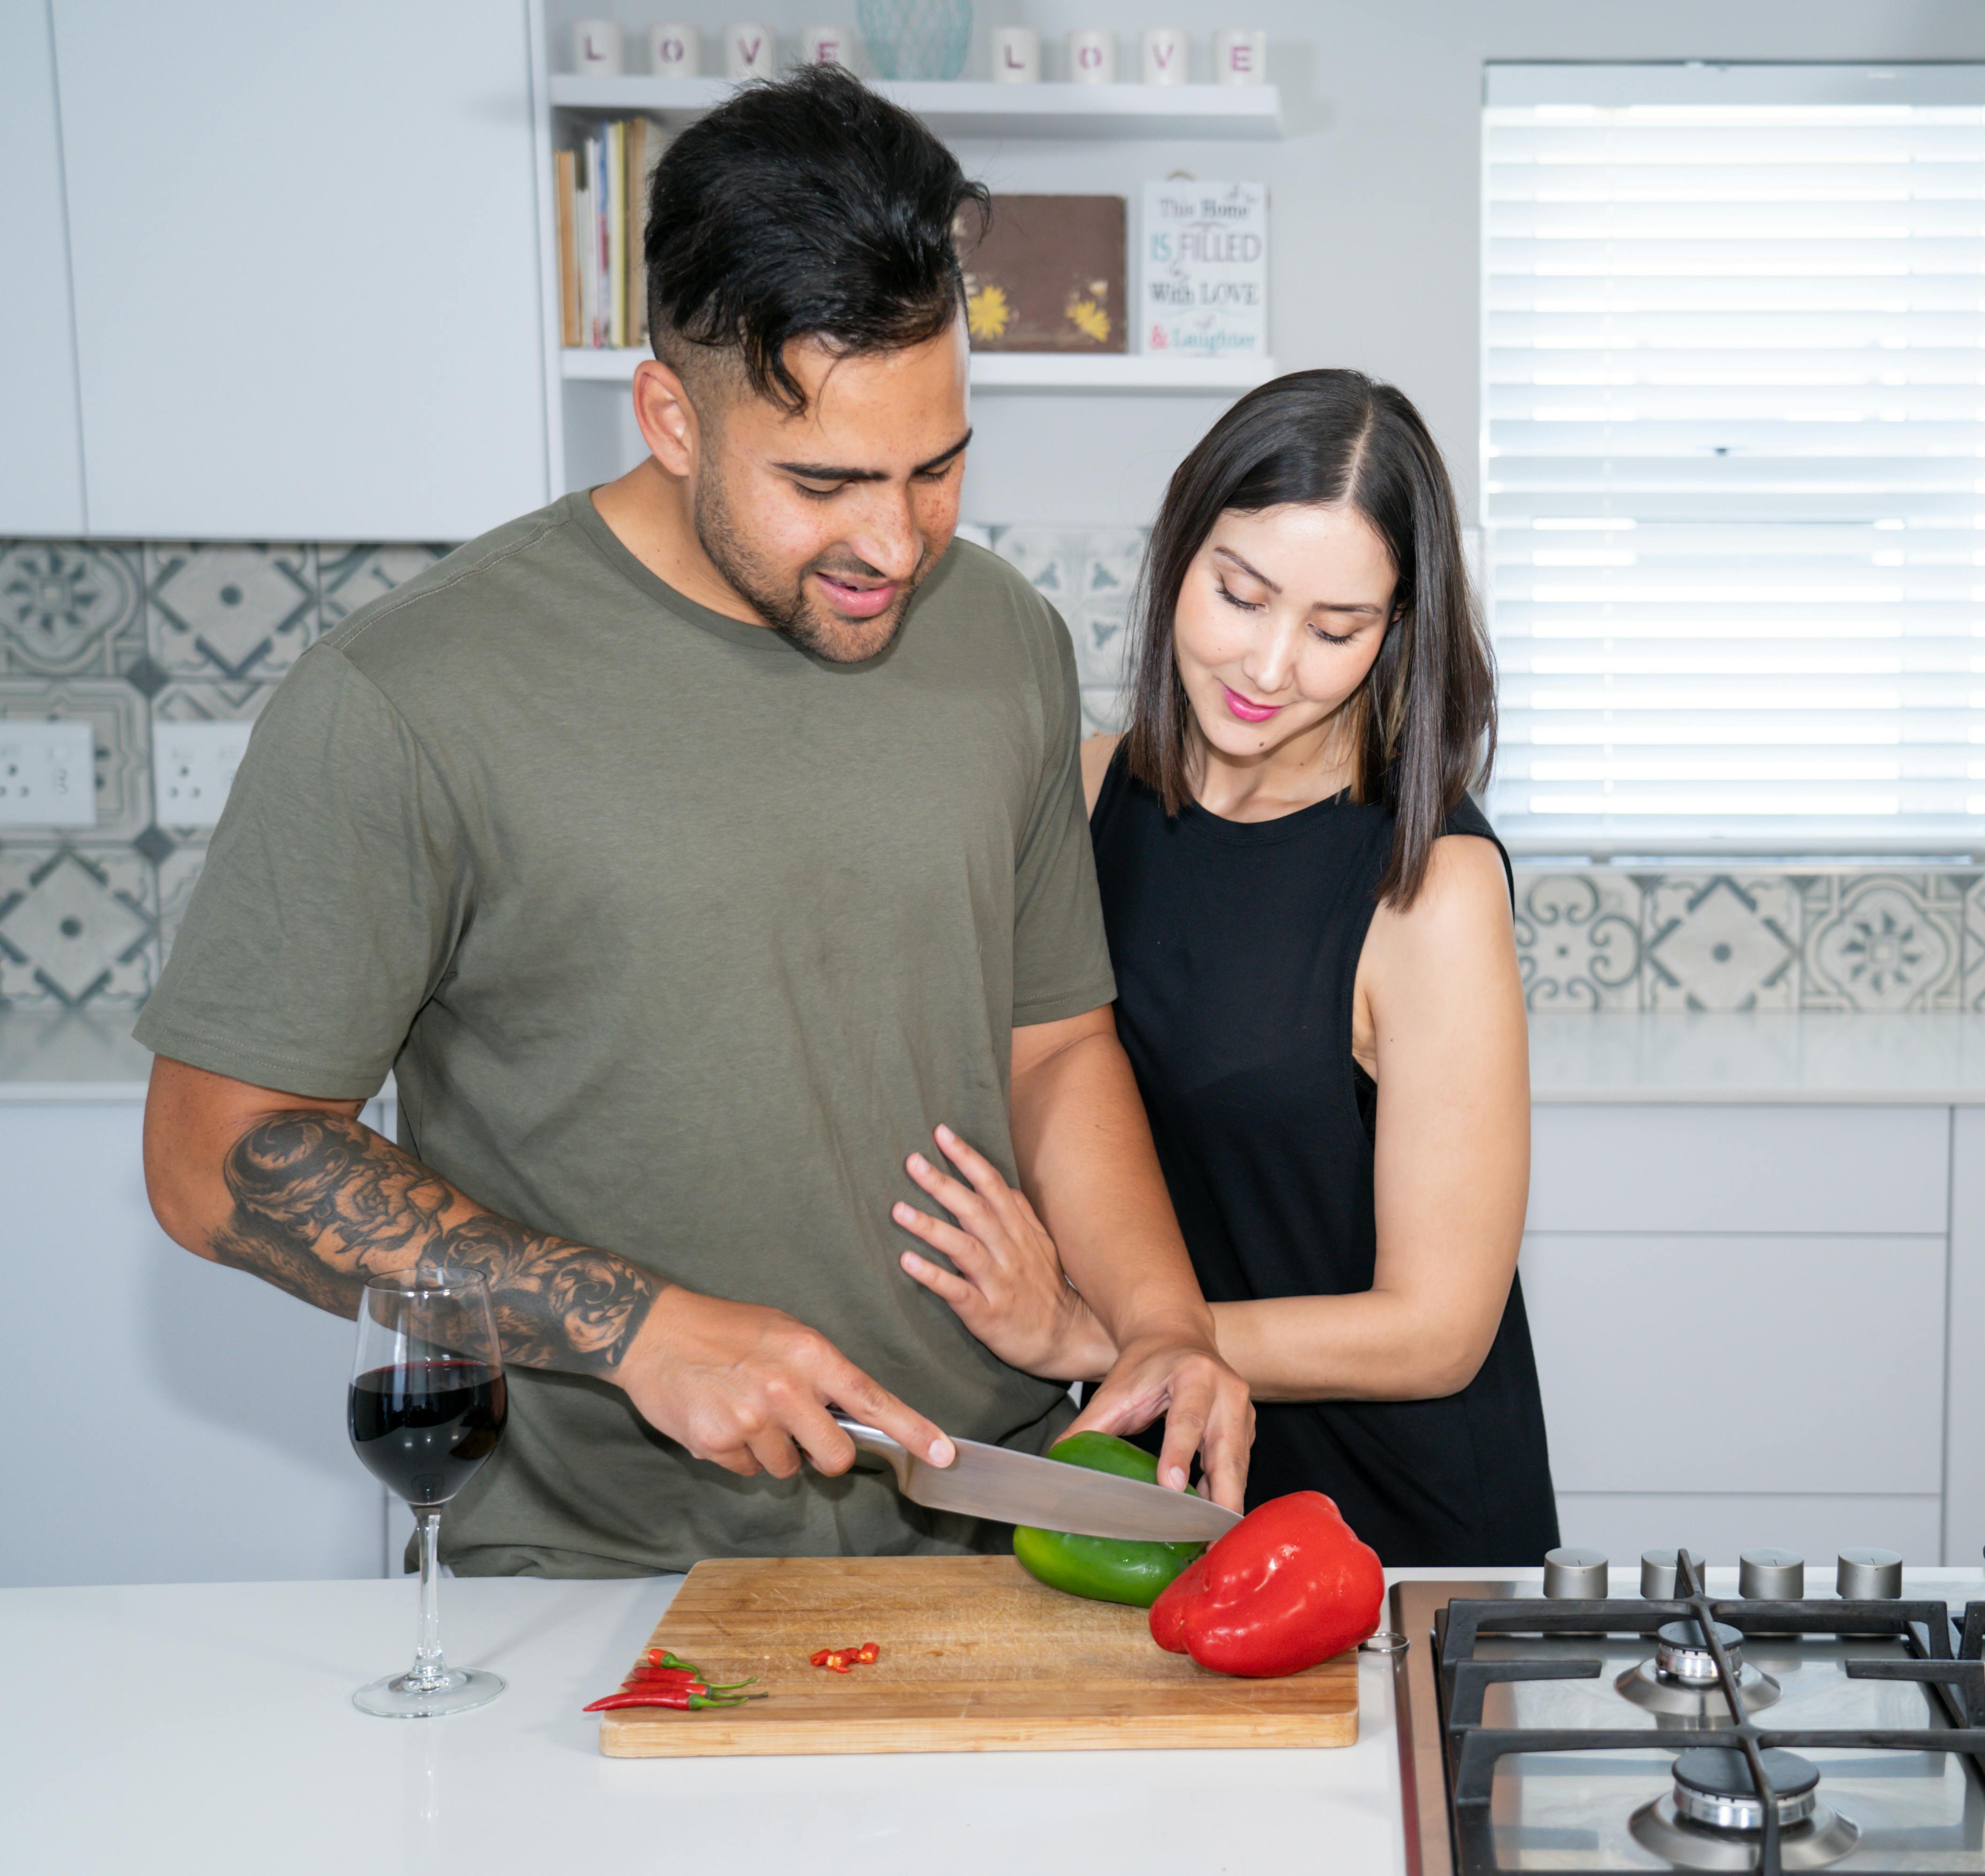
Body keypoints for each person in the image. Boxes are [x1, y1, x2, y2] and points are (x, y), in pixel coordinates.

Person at [137, 68, 1250, 1578]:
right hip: (600, 1571)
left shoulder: (1006, 639)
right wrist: (638, 1328)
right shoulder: (406, 695)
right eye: (825, 481)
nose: (895, 541)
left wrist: (1164, 1326)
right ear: (668, 413)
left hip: (1000, 1533)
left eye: (939, 466)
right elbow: (218, 1158)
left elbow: (1051, 1045)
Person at [892, 370, 1559, 1566]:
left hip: (1389, 1518)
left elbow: (1437, 1331)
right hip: (1162, 1488)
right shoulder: (1092, 793)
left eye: (1335, 629)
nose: (1268, 664)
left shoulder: (1432, 886)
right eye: (1239, 595)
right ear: (1178, 553)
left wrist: (1101, 1337)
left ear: (1398, 628)